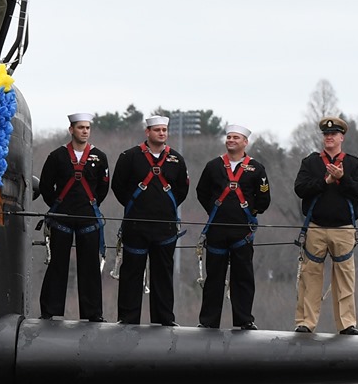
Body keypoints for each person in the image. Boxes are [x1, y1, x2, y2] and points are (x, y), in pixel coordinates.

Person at [111, 115, 191, 325]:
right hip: (136, 226)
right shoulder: (129, 157)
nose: (161, 133)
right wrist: (138, 208)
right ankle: (128, 318)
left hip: (165, 228)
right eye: (157, 130)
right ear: (148, 132)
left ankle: (164, 319)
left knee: (163, 274)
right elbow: (118, 186)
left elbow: (182, 190)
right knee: (131, 273)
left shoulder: (176, 159)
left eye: (164, 130)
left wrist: (162, 208)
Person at [293, 115, 358, 335]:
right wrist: (324, 182)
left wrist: (343, 178)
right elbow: (300, 189)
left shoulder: (354, 163)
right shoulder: (310, 162)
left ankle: (347, 324)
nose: (329, 137)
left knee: (345, 278)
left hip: (344, 229)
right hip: (315, 227)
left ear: (341, 137)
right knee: (310, 277)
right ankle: (306, 322)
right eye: (326, 134)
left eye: (333, 134)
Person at [194, 124, 272, 331]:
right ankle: (208, 321)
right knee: (214, 277)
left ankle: (244, 320)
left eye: (236, 137)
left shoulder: (256, 168)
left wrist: (250, 213)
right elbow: (202, 192)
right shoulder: (213, 166)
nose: (231, 140)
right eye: (228, 137)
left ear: (245, 142)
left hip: (242, 232)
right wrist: (215, 210)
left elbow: (264, 198)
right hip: (217, 230)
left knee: (243, 277)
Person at [36, 113, 110, 321]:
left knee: (90, 267)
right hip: (62, 218)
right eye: (80, 127)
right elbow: (45, 186)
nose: (85, 131)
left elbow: (103, 188)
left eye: (87, 128)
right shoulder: (57, 156)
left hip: (88, 219)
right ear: (71, 130)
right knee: (57, 265)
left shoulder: (99, 157)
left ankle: (92, 313)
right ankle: (50, 310)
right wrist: (58, 206)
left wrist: (90, 206)